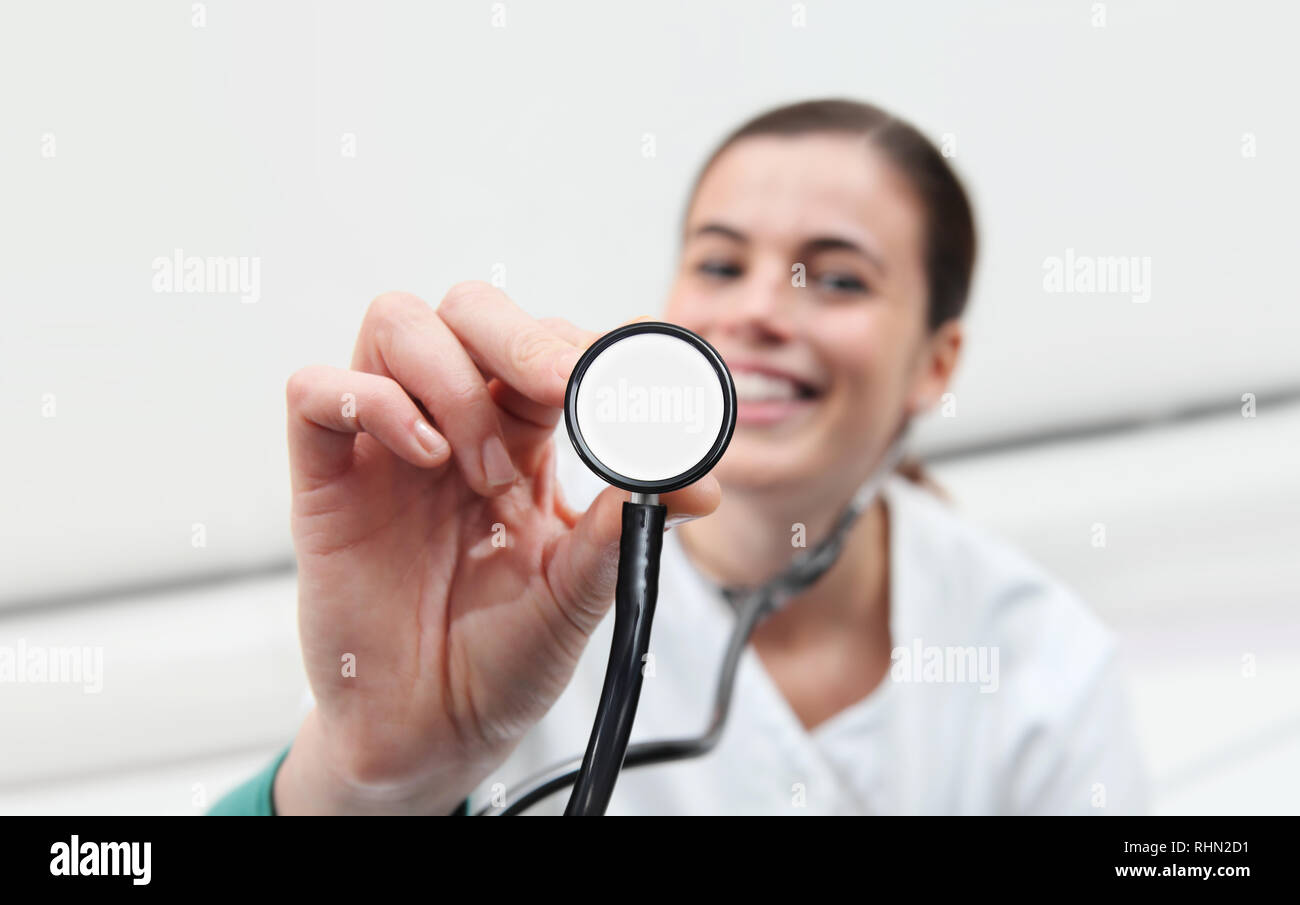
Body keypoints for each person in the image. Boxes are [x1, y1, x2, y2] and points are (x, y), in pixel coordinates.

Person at [211, 98, 1147, 816]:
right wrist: (374, 778)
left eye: (837, 277)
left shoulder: (1041, 665)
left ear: (934, 363)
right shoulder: (496, 577)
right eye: (720, 263)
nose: (760, 311)